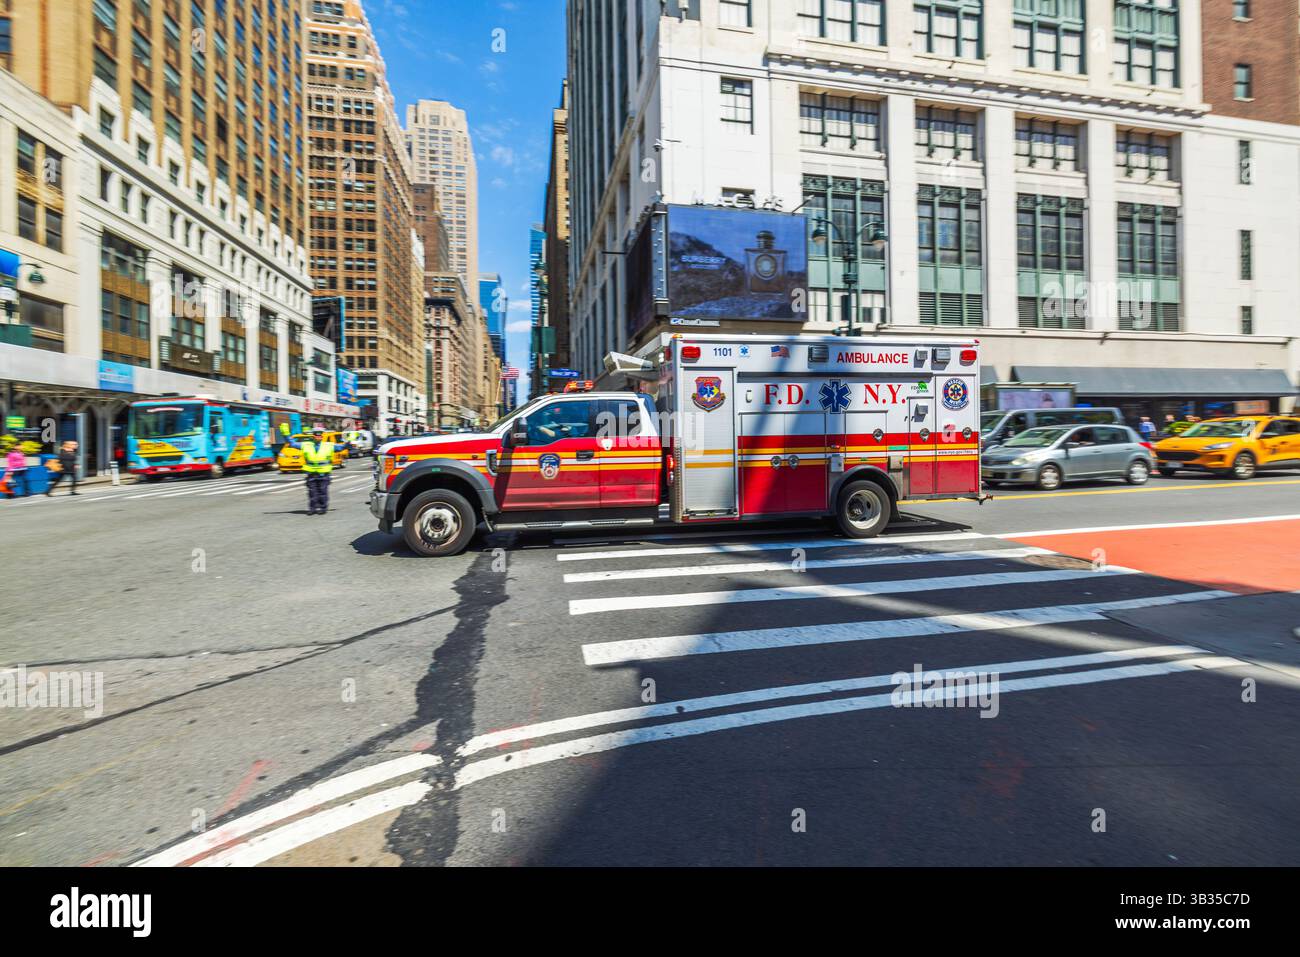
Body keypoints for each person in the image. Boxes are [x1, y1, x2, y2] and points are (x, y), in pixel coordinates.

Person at [280, 423, 336, 515]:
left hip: (324, 474)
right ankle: (312, 508)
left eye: (320, 435)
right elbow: (292, 443)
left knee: (323, 492)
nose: (318, 437)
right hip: (311, 474)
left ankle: (323, 508)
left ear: (322, 436)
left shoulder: (329, 445)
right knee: (312, 493)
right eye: (316, 435)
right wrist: (285, 433)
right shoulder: (306, 445)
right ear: (313, 436)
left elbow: (341, 447)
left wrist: (348, 444)